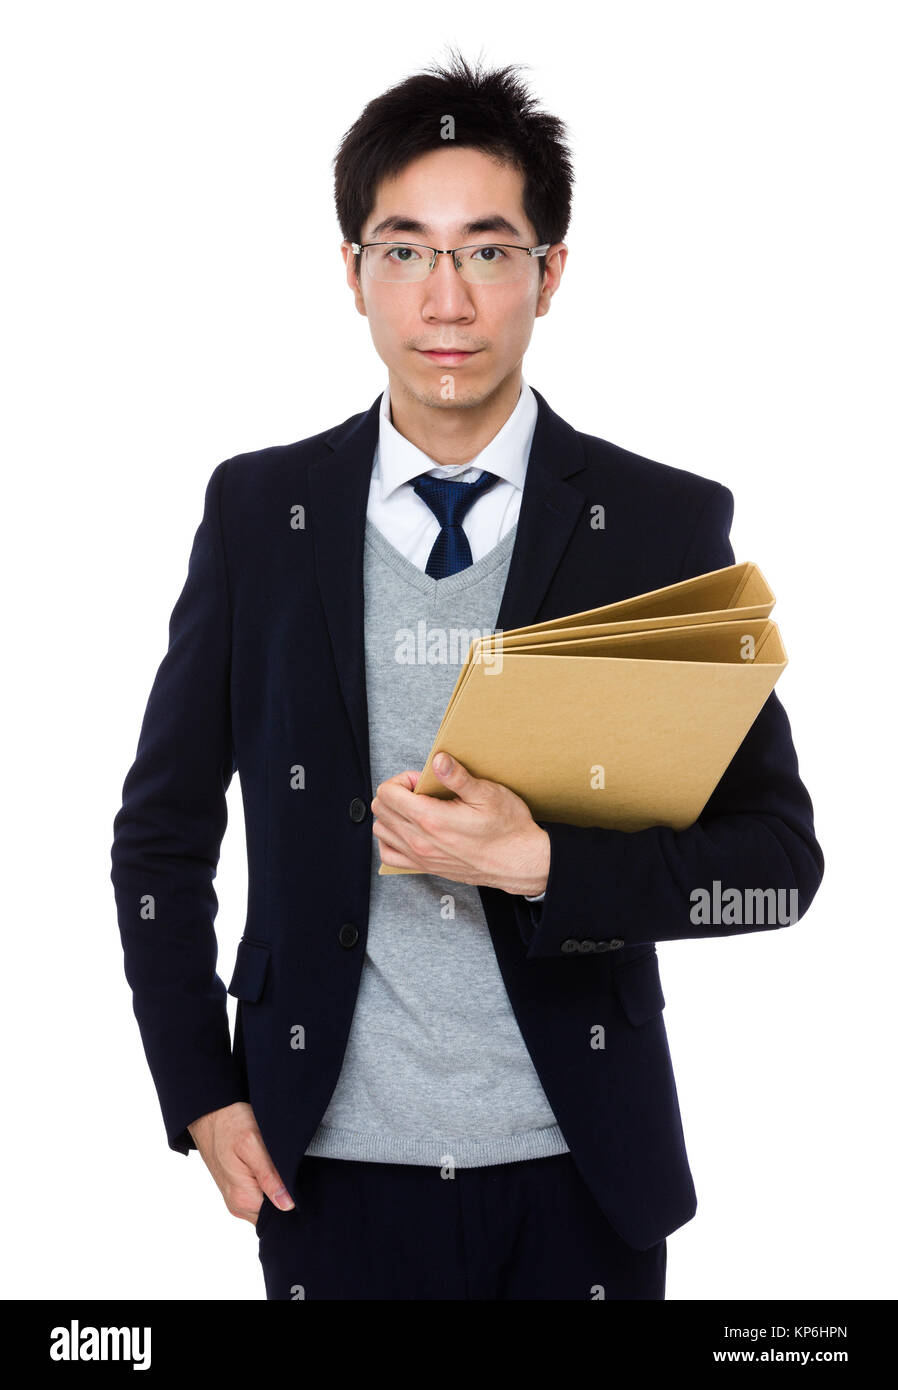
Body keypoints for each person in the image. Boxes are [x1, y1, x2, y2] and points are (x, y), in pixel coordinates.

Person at [110, 50, 824, 1301]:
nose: (447, 298)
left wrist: (544, 866)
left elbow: (775, 872)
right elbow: (159, 835)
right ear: (353, 274)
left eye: (488, 251)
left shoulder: (661, 524)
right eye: (406, 250)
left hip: (579, 1174)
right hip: (323, 1168)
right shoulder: (256, 510)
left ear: (550, 274)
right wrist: (197, 1087)